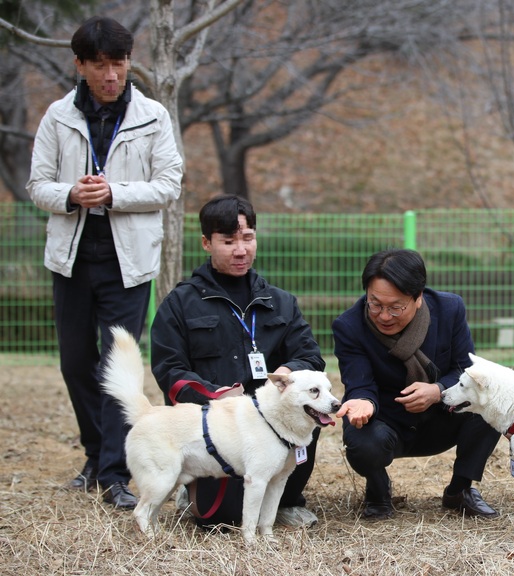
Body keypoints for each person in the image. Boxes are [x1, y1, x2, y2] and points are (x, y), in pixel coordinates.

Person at [26, 16, 183, 508]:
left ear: (128, 62)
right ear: (80, 65)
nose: (111, 75)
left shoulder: (153, 114)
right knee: (75, 363)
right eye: (100, 65)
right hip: (70, 259)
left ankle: (116, 472)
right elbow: (37, 186)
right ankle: (95, 455)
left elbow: (169, 185)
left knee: (119, 368)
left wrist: (114, 192)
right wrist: (71, 193)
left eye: (118, 63)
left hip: (128, 261)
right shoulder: (57, 116)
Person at [150, 195, 325, 529]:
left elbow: (310, 355)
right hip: (216, 429)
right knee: (220, 519)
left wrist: (289, 373)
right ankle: (193, 486)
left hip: (272, 422)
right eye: (228, 241)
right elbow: (169, 370)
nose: (241, 250)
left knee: (307, 412)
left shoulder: (280, 302)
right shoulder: (180, 303)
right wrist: (215, 397)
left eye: (248, 238)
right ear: (206, 243)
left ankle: (286, 500)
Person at [333, 248, 501, 520]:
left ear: (418, 297)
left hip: (442, 417)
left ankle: (460, 489)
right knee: (360, 434)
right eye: (374, 304)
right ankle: (378, 489)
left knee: (490, 401)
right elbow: (359, 383)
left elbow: (466, 368)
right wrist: (362, 401)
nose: (384, 316)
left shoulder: (449, 310)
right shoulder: (349, 326)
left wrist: (437, 391)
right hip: (389, 422)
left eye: (395, 307)